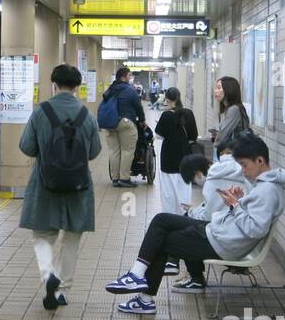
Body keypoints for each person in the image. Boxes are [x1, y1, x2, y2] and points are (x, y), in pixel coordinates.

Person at [104, 135, 285, 314]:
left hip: (222, 242)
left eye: (244, 165)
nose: (242, 170)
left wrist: (234, 205)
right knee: (162, 222)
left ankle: (141, 291)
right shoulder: (267, 186)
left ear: (260, 160)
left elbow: (255, 229)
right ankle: (139, 286)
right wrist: (239, 200)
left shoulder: (267, 190)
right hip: (219, 233)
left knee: (163, 236)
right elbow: (252, 218)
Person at [19, 64, 101, 311]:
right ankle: (63, 290)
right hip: (78, 185)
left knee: (43, 234)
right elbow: (94, 152)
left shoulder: (41, 112)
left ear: (53, 85)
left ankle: (48, 276)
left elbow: (26, 147)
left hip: (45, 183)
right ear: (77, 87)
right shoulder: (87, 115)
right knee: (72, 237)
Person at [97, 66, 145, 187]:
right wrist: (142, 120)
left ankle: (115, 179)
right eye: (129, 75)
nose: (130, 77)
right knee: (127, 150)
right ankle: (124, 178)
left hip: (110, 123)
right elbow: (138, 107)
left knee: (114, 151)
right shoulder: (130, 90)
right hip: (125, 123)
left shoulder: (111, 89)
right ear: (123, 77)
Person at [154, 87, 199, 216]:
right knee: (184, 191)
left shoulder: (166, 115)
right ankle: (184, 216)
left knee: (169, 193)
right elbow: (193, 136)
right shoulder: (189, 113)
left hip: (169, 160)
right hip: (186, 160)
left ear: (167, 99)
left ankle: (170, 218)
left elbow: (158, 135)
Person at [208, 75, 251, 149]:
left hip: (235, 153)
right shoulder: (230, 108)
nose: (215, 91)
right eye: (216, 88)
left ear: (229, 90)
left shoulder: (234, 109)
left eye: (219, 88)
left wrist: (216, 144)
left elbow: (223, 134)